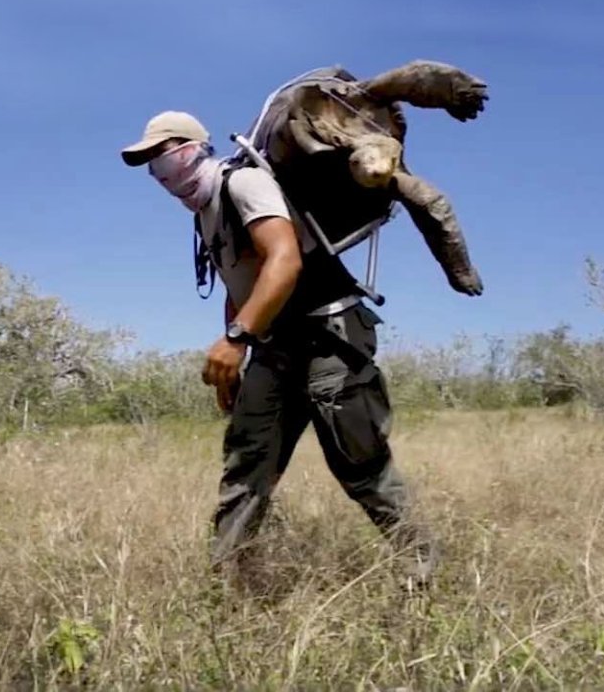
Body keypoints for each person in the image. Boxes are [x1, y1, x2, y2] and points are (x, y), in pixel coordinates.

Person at [120, 110, 437, 592]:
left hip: (328, 332)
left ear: (194, 148)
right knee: (246, 466)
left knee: (360, 465)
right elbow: (239, 284)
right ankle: (226, 590)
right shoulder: (205, 214)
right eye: (150, 164)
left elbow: (284, 261)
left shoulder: (243, 183)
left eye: (163, 155)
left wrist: (235, 339)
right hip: (273, 345)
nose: (159, 172)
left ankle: (421, 576)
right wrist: (238, 353)